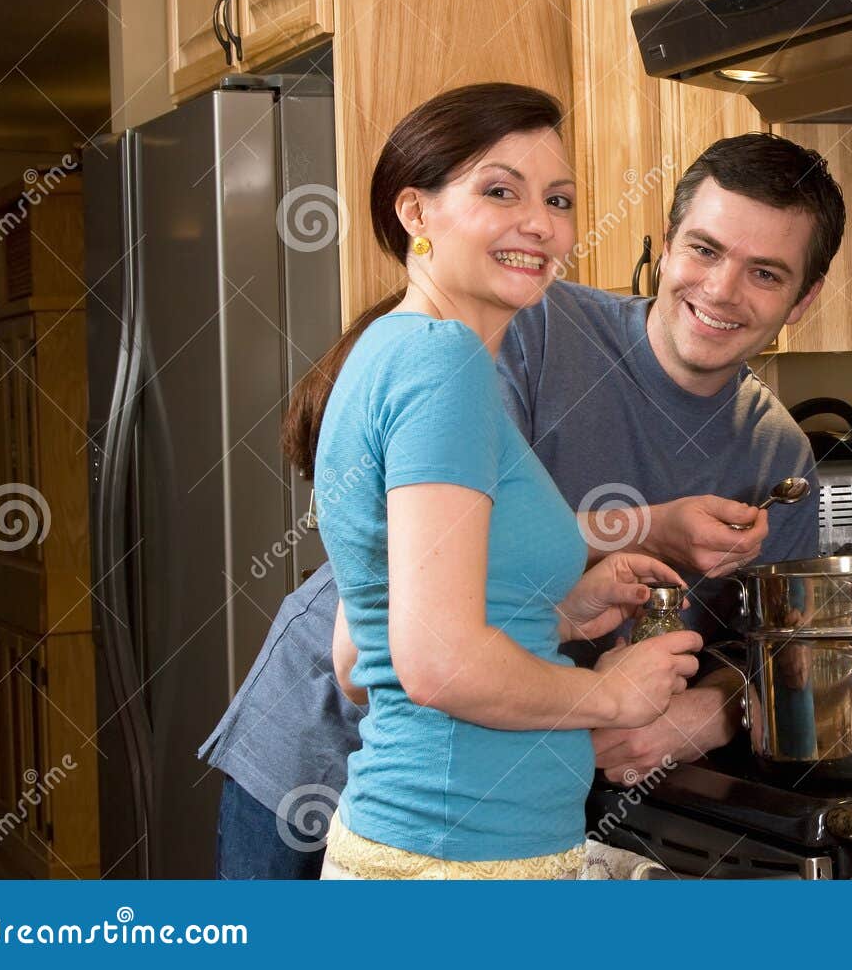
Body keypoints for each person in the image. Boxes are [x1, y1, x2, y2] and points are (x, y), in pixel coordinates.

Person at [199, 126, 847, 877]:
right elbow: (440, 556)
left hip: (512, 788)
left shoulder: (778, 456)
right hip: (329, 748)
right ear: (663, 247)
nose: (722, 289)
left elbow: (782, 652)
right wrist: (648, 537)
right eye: (704, 250)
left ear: (805, 298)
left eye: (766, 272)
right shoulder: (523, 329)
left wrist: (711, 710)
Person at [273, 81, 705, 878]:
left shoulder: (385, 352)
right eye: (499, 190)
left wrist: (557, 613)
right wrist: (613, 696)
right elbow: (436, 663)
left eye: (560, 198)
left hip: (415, 853)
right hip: (459, 866)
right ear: (416, 213)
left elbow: (356, 658)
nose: (540, 224)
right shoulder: (445, 366)